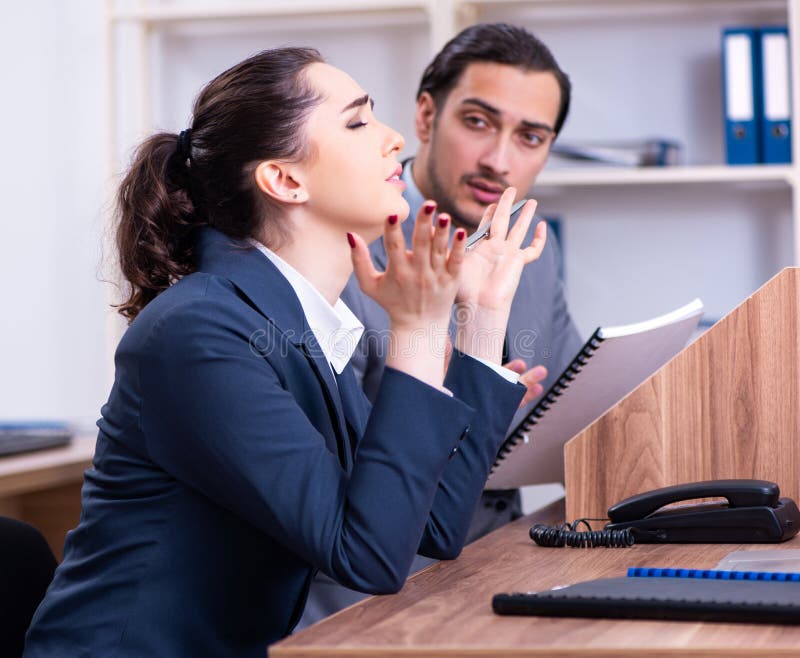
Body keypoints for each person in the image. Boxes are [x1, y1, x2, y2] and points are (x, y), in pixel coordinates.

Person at [23, 47, 548, 656]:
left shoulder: (300, 323)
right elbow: (369, 556)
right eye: (358, 122)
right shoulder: (199, 333)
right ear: (285, 180)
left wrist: (480, 314)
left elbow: (432, 526)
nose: (395, 139)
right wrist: (417, 328)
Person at [300, 23, 584, 626]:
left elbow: (568, 404)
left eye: (530, 137)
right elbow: (317, 460)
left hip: (492, 560)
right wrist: (462, 394)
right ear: (426, 116)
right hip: (362, 592)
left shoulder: (533, 249)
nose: (498, 161)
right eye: (477, 122)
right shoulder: (342, 236)